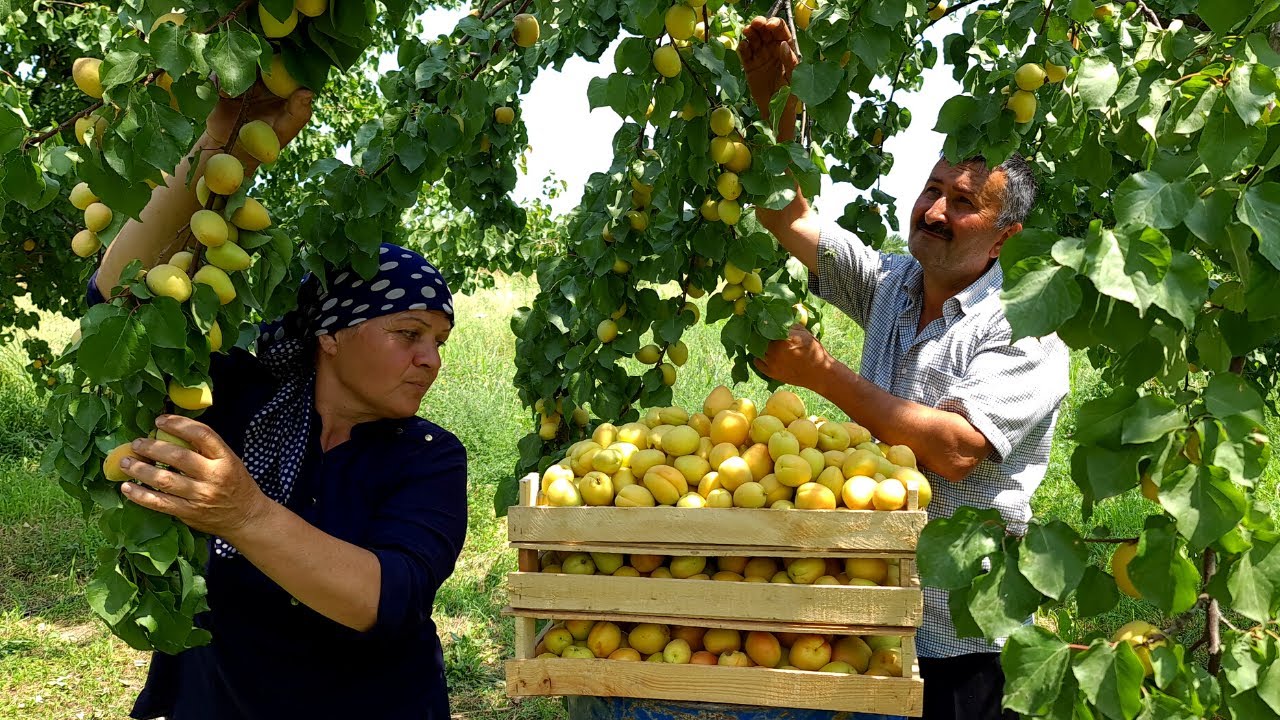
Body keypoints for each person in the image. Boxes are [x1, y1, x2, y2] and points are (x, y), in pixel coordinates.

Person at [90, 83, 469, 719]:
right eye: (408, 334)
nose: (430, 359)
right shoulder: (235, 398)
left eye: (438, 340)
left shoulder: (429, 458)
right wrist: (219, 145)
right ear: (331, 335)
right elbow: (115, 298)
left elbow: (380, 598)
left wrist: (245, 515)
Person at [739, 17, 1070, 720]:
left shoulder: (1025, 325)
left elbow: (954, 450)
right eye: (932, 188)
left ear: (1006, 234)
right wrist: (775, 108)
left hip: (964, 631)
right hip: (869, 610)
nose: (936, 209)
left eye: (963, 202)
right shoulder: (894, 283)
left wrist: (821, 374)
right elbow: (785, 215)